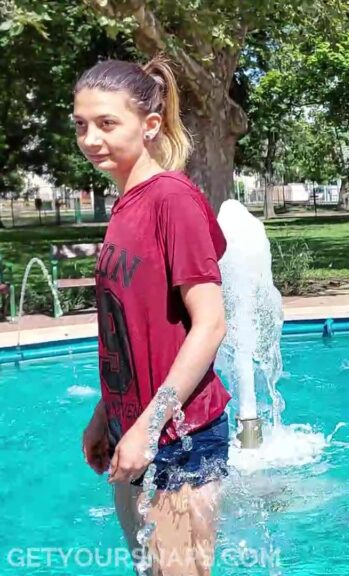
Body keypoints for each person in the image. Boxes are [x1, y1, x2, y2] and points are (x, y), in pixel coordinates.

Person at [75, 56, 232, 575]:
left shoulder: (173, 199)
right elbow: (136, 331)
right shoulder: (125, 203)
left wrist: (145, 426)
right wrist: (107, 414)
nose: (91, 138)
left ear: (149, 126)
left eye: (106, 123)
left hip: (178, 435)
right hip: (134, 430)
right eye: (81, 125)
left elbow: (210, 324)